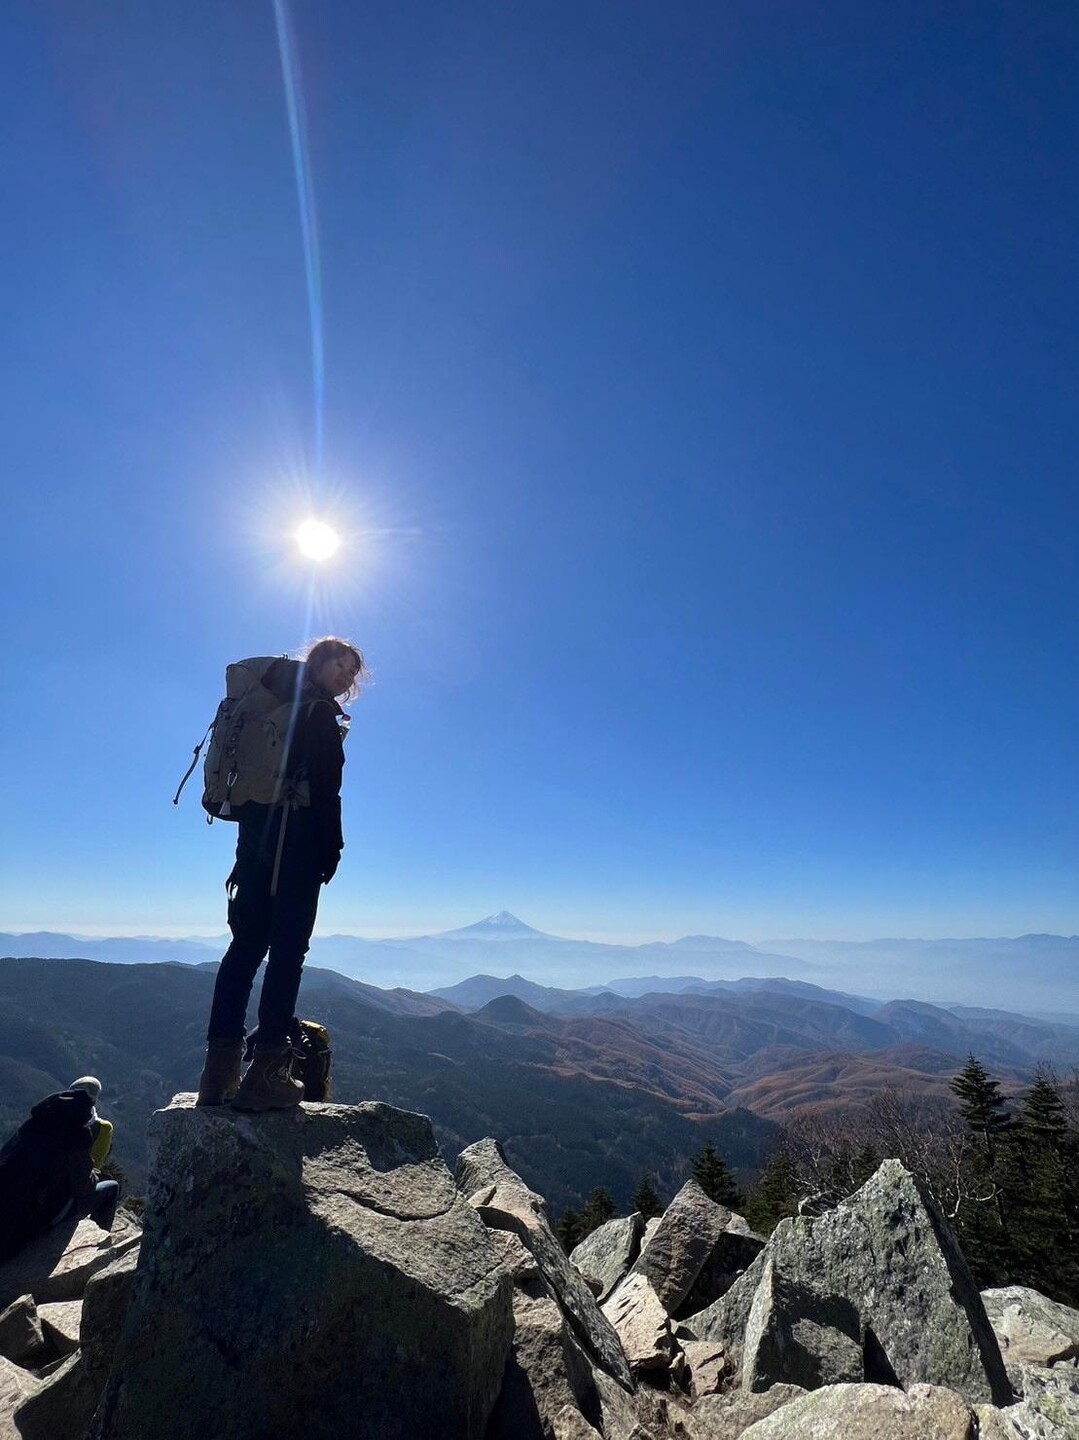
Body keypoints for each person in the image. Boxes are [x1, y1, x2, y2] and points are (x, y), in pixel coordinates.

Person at [197, 636, 364, 1112]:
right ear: (318, 661)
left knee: (245, 946)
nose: (346, 676)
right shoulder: (317, 715)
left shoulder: (269, 705)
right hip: (297, 845)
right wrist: (331, 849)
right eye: (341, 665)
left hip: (253, 842)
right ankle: (266, 1075)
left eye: (352, 672)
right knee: (287, 952)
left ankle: (218, 1073)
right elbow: (328, 791)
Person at [0, 1076, 119, 1263]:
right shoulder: (75, 1137)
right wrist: (94, 1175)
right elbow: (82, 1188)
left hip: (8, 1210)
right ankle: (98, 1251)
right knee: (112, 1188)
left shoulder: (32, 1126)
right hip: (39, 1217)